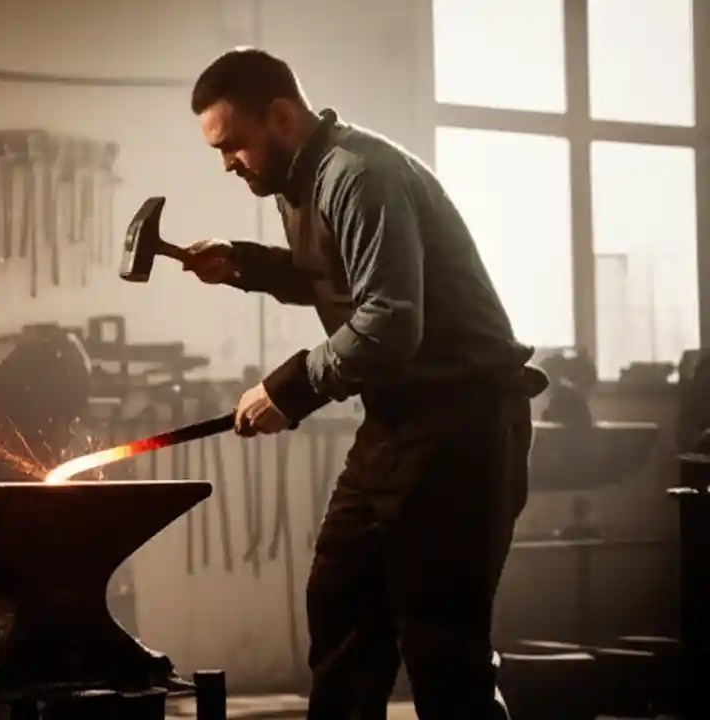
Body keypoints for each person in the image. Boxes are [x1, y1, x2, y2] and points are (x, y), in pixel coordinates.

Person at [184, 48, 545, 719]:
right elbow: (333, 277)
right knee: (342, 608)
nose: (229, 162)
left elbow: (387, 324)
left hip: (463, 425)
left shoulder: (360, 173)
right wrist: (246, 265)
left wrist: (287, 391)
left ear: (283, 115)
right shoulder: (302, 180)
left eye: (234, 144)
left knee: (442, 646)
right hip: (397, 423)